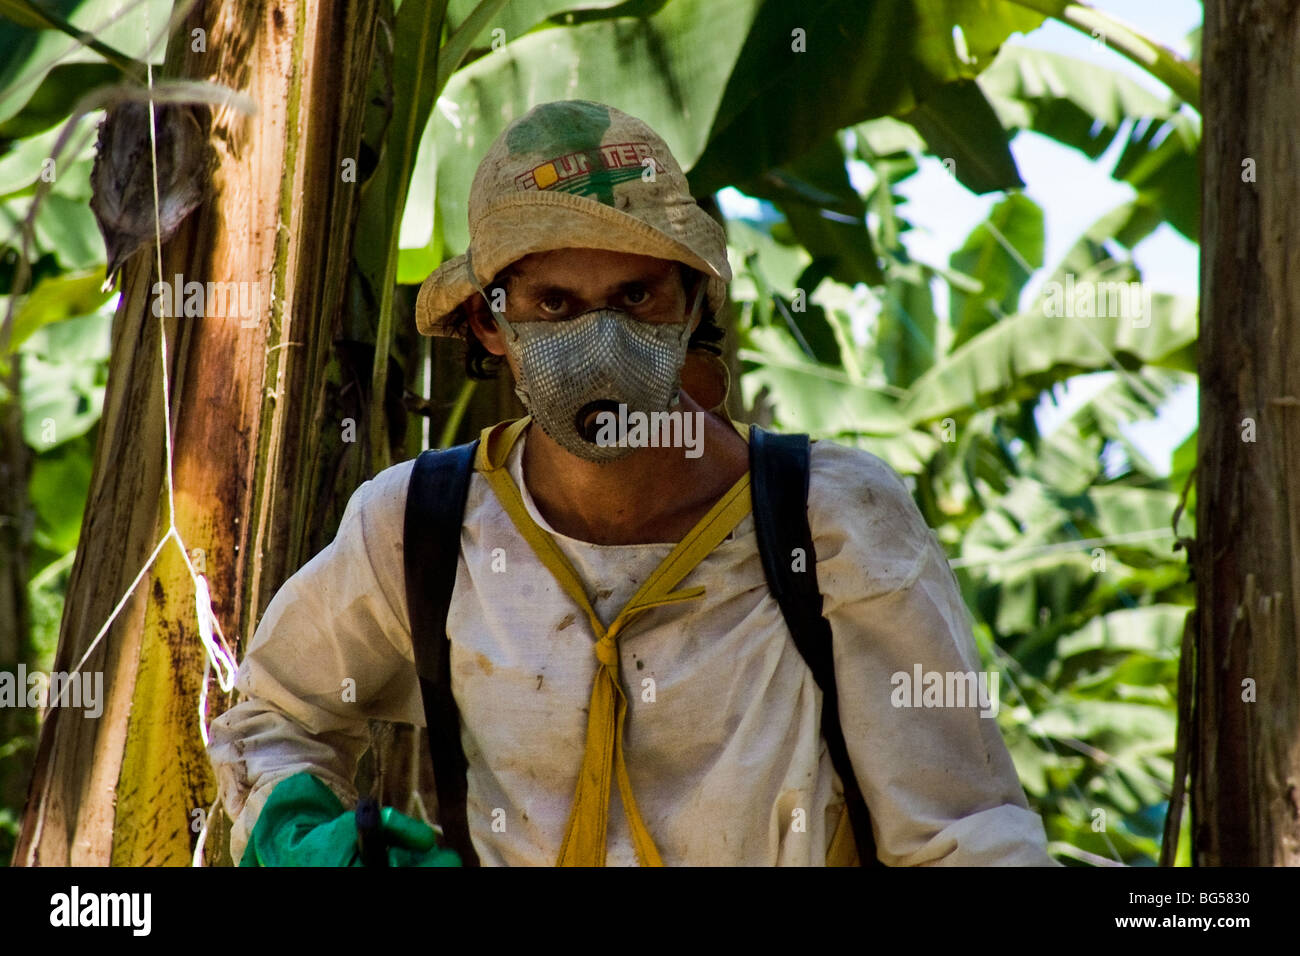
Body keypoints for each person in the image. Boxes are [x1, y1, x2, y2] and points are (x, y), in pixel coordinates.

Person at [208, 99, 1056, 866]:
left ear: (694, 305)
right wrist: (305, 845)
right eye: (554, 305)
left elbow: (964, 838)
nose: (600, 341)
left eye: (637, 295)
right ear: (488, 322)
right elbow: (278, 717)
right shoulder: (420, 523)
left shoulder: (829, 521)